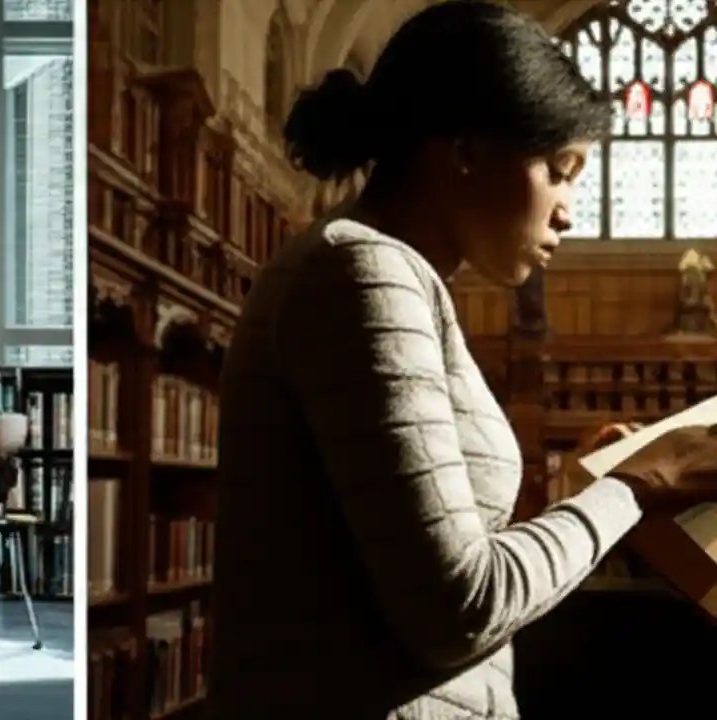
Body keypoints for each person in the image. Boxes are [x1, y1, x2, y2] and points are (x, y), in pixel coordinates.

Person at [208, 3, 717, 719]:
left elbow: (401, 566)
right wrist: (638, 485)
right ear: (466, 148)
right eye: (558, 169)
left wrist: (572, 501)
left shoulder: (387, 273)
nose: (568, 210)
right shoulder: (365, 271)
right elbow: (460, 609)